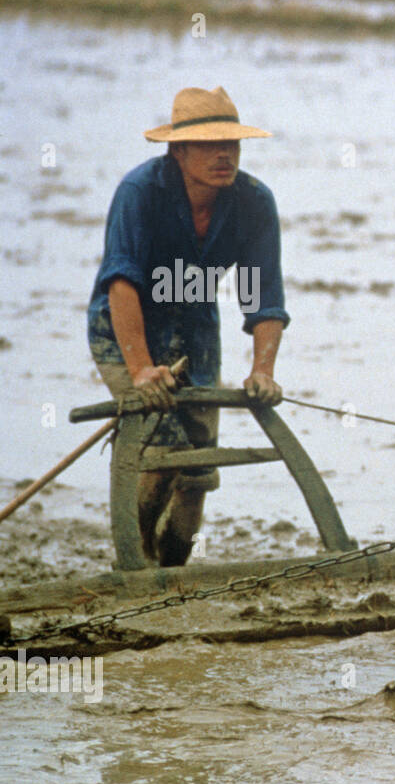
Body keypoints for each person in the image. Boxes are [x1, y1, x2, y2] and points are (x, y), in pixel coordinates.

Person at [87, 86, 289, 566]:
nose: (223, 155)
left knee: (198, 471)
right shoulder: (139, 193)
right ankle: (135, 565)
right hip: (126, 328)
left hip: (197, 328)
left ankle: (174, 573)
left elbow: (265, 301)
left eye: (232, 144)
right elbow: (121, 284)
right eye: (208, 144)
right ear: (177, 150)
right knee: (163, 453)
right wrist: (140, 370)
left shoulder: (255, 202)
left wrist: (263, 371)